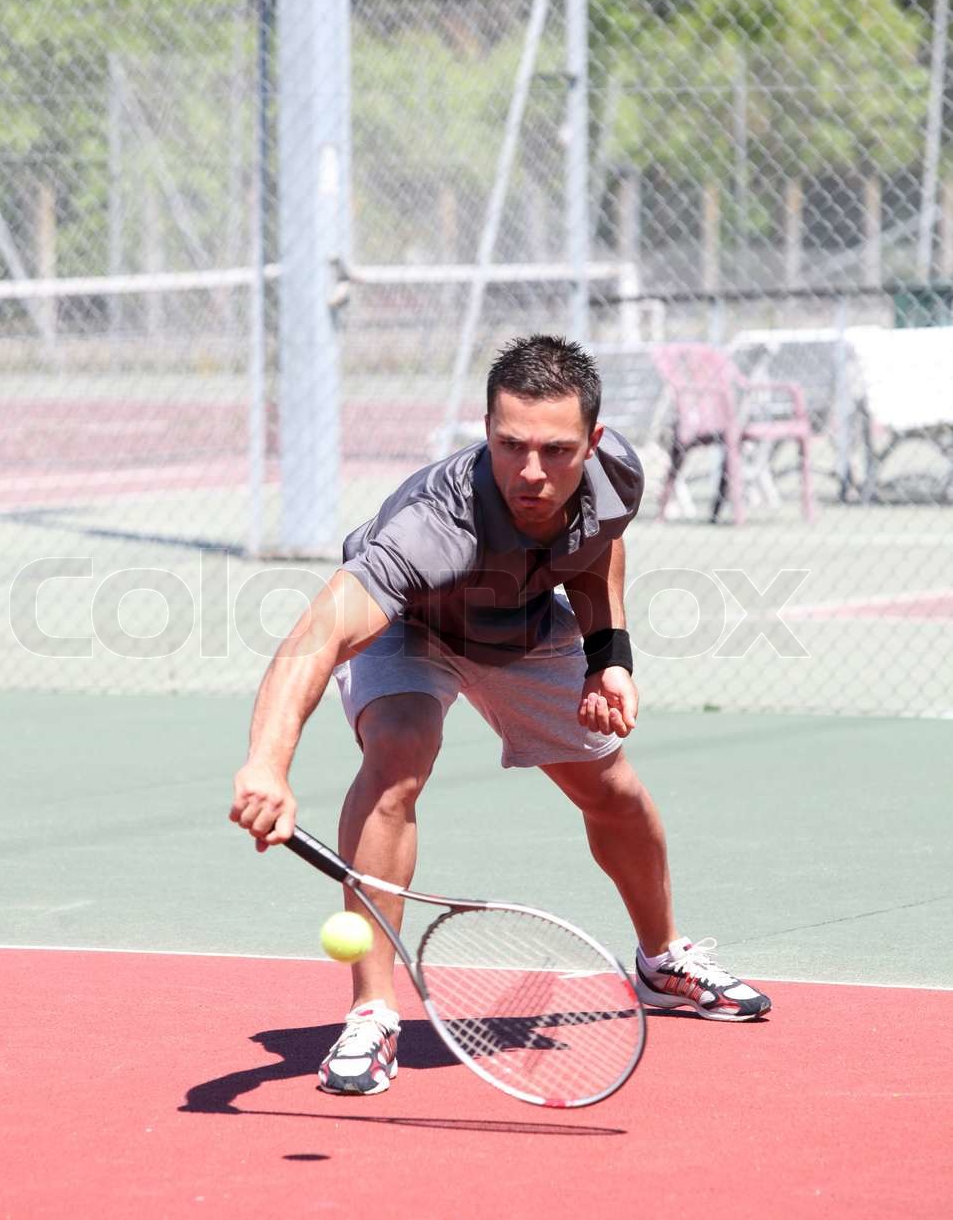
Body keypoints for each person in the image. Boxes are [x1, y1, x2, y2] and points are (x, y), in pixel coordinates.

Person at [230, 334, 771, 1095]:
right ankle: (372, 1015)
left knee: (612, 793)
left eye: (556, 450)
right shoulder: (432, 527)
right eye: (510, 445)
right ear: (486, 429)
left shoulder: (616, 473)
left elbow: (599, 542)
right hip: (412, 629)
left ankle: (661, 960)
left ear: (594, 442)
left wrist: (608, 656)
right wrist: (267, 763)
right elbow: (316, 636)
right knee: (398, 754)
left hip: (520, 625)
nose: (531, 471)